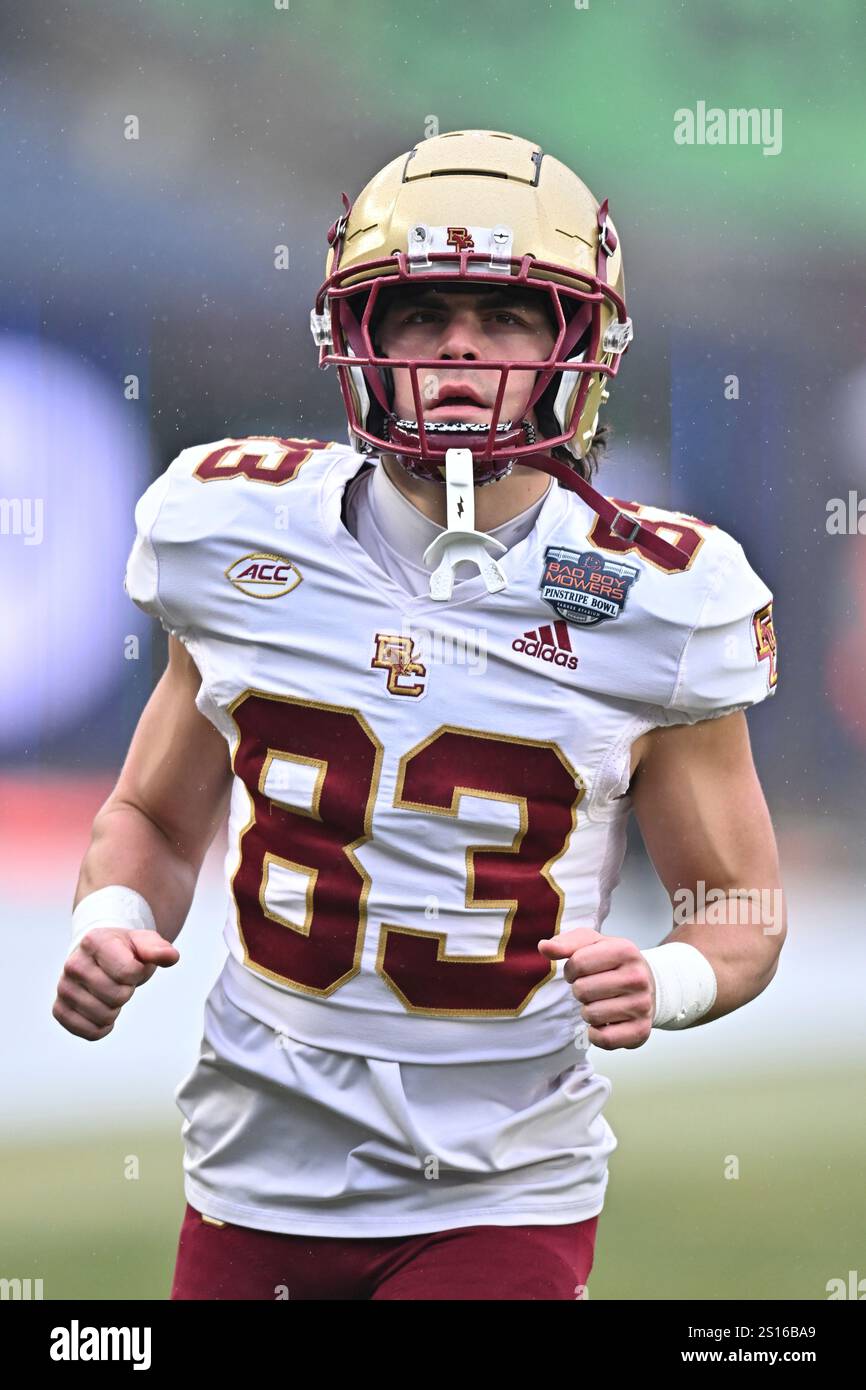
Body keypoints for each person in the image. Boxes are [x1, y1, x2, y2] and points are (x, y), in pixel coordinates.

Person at [53, 129, 786, 1301]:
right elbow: (149, 809)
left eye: (502, 315)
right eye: (418, 312)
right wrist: (110, 908)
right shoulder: (232, 535)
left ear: (576, 346)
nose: (458, 346)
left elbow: (737, 909)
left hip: (504, 1184)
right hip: (251, 1165)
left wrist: (670, 979)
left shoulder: (662, 598)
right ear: (357, 341)